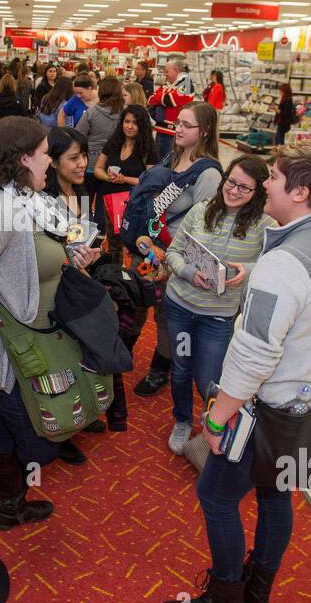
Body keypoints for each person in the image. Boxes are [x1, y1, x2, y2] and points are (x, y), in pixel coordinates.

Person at [160, 140, 311, 603]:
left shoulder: (285, 264)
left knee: (217, 496)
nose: (266, 182)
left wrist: (218, 416)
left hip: (267, 407)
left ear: (301, 191)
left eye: (275, 178)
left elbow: (255, 352)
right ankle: (256, 594)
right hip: (309, 404)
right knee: (275, 495)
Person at [0, 118, 103, 530]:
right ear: (25, 158)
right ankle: (11, 501)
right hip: (10, 349)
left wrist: (69, 259)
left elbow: (24, 260)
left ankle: (10, 505)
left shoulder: (22, 198)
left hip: (28, 342)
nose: (50, 160)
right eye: (45, 152)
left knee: (9, 431)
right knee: (38, 440)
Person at [161, 156, 271, 454]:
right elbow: (173, 252)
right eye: (231, 182)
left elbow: (274, 266)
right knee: (181, 367)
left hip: (217, 318)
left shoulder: (265, 226)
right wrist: (186, 271)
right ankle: (182, 420)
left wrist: (249, 269)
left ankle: (213, 422)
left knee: (209, 377)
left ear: (258, 193)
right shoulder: (201, 210)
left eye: (244, 188)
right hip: (180, 306)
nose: (234, 191)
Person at [132, 101, 224, 401]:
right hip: (150, 246)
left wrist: (175, 263)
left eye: (186, 125)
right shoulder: (173, 156)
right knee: (137, 297)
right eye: (178, 123)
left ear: (205, 131)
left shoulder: (208, 174)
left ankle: (162, 366)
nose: (177, 128)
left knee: (164, 313)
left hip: (174, 255)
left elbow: (204, 228)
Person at [42, 126, 99, 462]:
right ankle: (59, 431)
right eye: (73, 158)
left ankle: (81, 414)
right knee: (59, 364)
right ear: (52, 162)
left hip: (83, 284)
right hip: (58, 292)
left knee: (82, 356)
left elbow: (88, 234)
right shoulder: (43, 201)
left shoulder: (82, 190)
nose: (82, 164)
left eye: (84, 156)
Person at [93, 102, 155, 233]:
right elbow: (98, 168)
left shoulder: (148, 149)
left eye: (135, 123)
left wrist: (124, 179)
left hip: (129, 203)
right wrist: (108, 178)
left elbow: (149, 182)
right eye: (127, 121)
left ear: (142, 126)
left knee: (123, 239)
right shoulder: (113, 142)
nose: (130, 126)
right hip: (105, 198)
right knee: (101, 235)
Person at [75, 74, 124, 209]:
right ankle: (103, 228)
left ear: (101, 91)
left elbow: (78, 136)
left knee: (84, 202)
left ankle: (82, 226)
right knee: (108, 207)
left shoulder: (91, 112)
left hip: (91, 163)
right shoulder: (125, 114)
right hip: (114, 166)